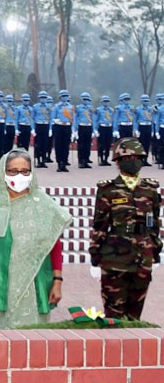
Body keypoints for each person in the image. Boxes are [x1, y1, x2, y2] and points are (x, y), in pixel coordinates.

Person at [0, 148, 72, 329]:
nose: (19, 176)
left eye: (25, 171)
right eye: (13, 171)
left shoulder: (42, 204)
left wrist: (58, 281)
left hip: (35, 281)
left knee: (34, 339)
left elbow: (54, 244)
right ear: (3, 172)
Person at [89, 138, 161, 321]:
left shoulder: (150, 189)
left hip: (142, 257)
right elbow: (100, 225)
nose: (134, 161)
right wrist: (95, 258)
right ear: (118, 161)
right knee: (114, 315)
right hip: (115, 258)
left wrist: (156, 252)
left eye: (137, 157)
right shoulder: (108, 189)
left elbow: (153, 223)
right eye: (129, 157)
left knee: (135, 316)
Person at [51, 90, 74, 172]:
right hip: (59, 127)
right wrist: (55, 122)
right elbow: (52, 118)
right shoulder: (56, 107)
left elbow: (73, 119)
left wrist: (74, 131)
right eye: (63, 96)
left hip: (67, 127)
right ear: (60, 97)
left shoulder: (71, 107)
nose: (65, 97)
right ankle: (59, 163)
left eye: (66, 96)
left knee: (66, 146)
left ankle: (64, 163)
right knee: (58, 146)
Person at [74, 92, 94, 169]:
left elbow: (93, 119)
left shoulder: (91, 108)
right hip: (81, 127)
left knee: (88, 145)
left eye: (87, 99)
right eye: (84, 99)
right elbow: (75, 119)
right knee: (81, 145)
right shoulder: (78, 108)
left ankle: (86, 160)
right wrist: (75, 130)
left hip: (88, 127)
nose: (86, 101)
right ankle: (81, 161)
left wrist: (93, 130)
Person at [134, 94, 155, 166]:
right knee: (141, 144)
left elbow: (152, 120)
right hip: (141, 127)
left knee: (147, 144)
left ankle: (145, 159)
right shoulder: (138, 109)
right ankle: (140, 159)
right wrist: (135, 129)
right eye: (145, 101)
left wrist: (152, 130)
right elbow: (135, 120)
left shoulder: (151, 109)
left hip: (148, 126)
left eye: (147, 101)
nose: (146, 102)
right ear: (141, 101)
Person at [95, 95, 114, 167]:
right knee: (101, 144)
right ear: (102, 102)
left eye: (107, 101)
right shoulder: (98, 110)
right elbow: (95, 120)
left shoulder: (111, 110)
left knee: (108, 144)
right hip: (102, 127)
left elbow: (113, 119)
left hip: (109, 127)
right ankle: (101, 159)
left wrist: (114, 129)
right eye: (104, 101)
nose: (106, 103)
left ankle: (106, 159)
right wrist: (95, 130)